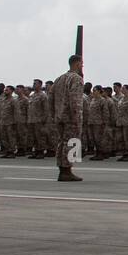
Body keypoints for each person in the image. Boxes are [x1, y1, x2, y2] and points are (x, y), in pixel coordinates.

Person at [52, 54, 85, 182]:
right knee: (72, 142)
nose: (82, 66)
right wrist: (76, 116)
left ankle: (62, 168)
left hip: (60, 116)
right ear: (77, 64)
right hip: (71, 117)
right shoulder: (76, 79)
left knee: (62, 142)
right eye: (81, 64)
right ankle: (67, 170)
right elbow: (75, 99)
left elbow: (51, 97)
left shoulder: (59, 79)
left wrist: (55, 113)